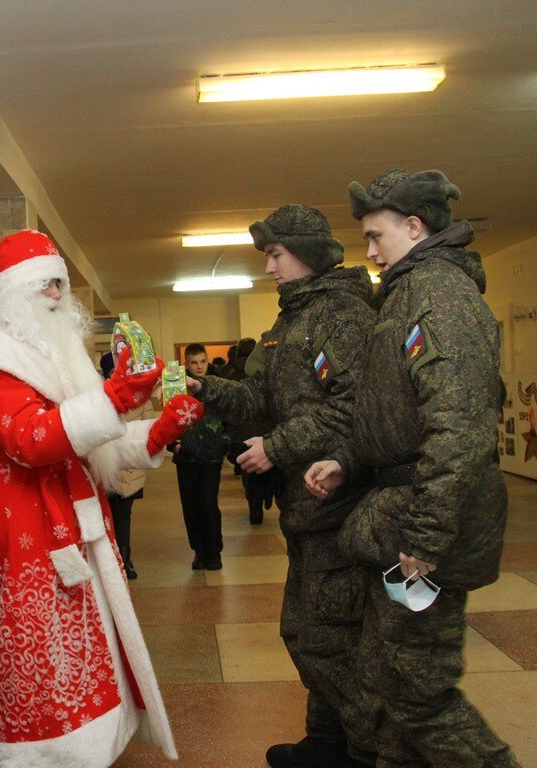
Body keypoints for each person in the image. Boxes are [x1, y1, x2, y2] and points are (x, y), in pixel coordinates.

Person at [0, 229, 201, 767]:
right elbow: (30, 440)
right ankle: (48, 755)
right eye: (43, 285)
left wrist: (153, 433)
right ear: (9, 293)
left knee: (85, 640)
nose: (57, 295)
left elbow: (83, 443)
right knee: (42, 647)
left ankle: (92, 743)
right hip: (25, 522)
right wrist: (113, 399)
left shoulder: (50, 354)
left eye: (60, 283)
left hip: (67, 511)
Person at [305, 170, 519, 768]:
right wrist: (347, 461)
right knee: (381, 678)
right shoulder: (406, 295)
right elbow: (395, 413)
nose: (369, 252)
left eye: (376, 236)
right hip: (400, 513)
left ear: (415, 227)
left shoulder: (440, 300)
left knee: (419, 691)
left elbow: (460, 431)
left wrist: (426, 539)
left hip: (427, 524)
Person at [187, 205, 377, 767]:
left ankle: (371, 751)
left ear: (307, 254)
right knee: (312, 632)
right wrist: (203, 389)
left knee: (325, 637)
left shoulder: (344, 316)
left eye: (275, 254)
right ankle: (327, 741)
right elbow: (261, 403)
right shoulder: (291, 321)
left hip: (339, 503)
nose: (268, 267)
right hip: (308, 508)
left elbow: (353, 410)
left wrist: (278, 446)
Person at [173, 343, 236, 571]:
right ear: (187, 364)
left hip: (211, 455)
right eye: (194, 362)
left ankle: (214, 552)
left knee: (208, 503)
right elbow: (169, 418)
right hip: (186, 455)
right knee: (190, 506)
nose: (199, 367)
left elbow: (231, 416)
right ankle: (199, 551)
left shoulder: (218, 386)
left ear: (207, 360)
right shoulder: (178, 386)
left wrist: (223, 443)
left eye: (202, 361)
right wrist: (173, 444)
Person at [99, 351, 152, 579]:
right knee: (105, 516)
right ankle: (110, 563)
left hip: (130, 466)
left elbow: (149, 430)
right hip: (103, 467)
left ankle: (124, 558)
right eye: (113, 372)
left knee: (122, 514)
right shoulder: (97, 398)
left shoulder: (142, 398)